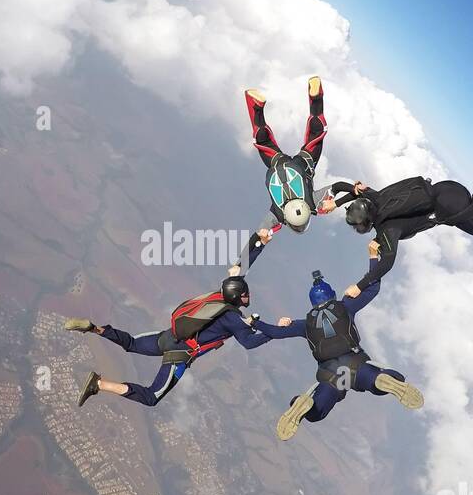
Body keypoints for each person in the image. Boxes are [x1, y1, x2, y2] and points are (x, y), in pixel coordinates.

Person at [254, 254, 424, 440]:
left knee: (317, 410)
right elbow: (374, 287)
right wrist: (373, 257)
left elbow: (275, 332)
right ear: (332, 295)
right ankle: (383, 379)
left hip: (331, 374)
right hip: (356, 364)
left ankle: (302, 404)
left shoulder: (305, 324)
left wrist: (254, 322)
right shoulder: (345, 306)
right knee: (382, 379)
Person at [67, 258, 275, 408]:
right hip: (180, 355)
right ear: (238, 297)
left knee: (130, 343)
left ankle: (93, 328)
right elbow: (249, 343)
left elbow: (236, 271)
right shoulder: (233, 318)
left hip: (169, 336)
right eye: (246, 294)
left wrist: (261, 239)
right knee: (151, 397)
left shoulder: (219, 297)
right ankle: (98, 384)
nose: (249, 295)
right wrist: (273, 332)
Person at [320, 166, 473, 296]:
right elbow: (348, 187)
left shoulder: (388, 229)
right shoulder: (375, 198)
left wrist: (359, 287)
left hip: (448, 206)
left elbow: (387, 263)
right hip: (447, 187)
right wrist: (335, 202)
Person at [231, 76, 335, 274]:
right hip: (277, 164)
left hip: (303, 163)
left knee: (317, 135)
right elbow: (255, 240)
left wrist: (349, 196)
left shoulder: (313, 203)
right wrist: (238, 266)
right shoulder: (277, 216)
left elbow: (337, 187)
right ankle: (256, 107)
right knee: (262, 141)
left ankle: (315, 100)